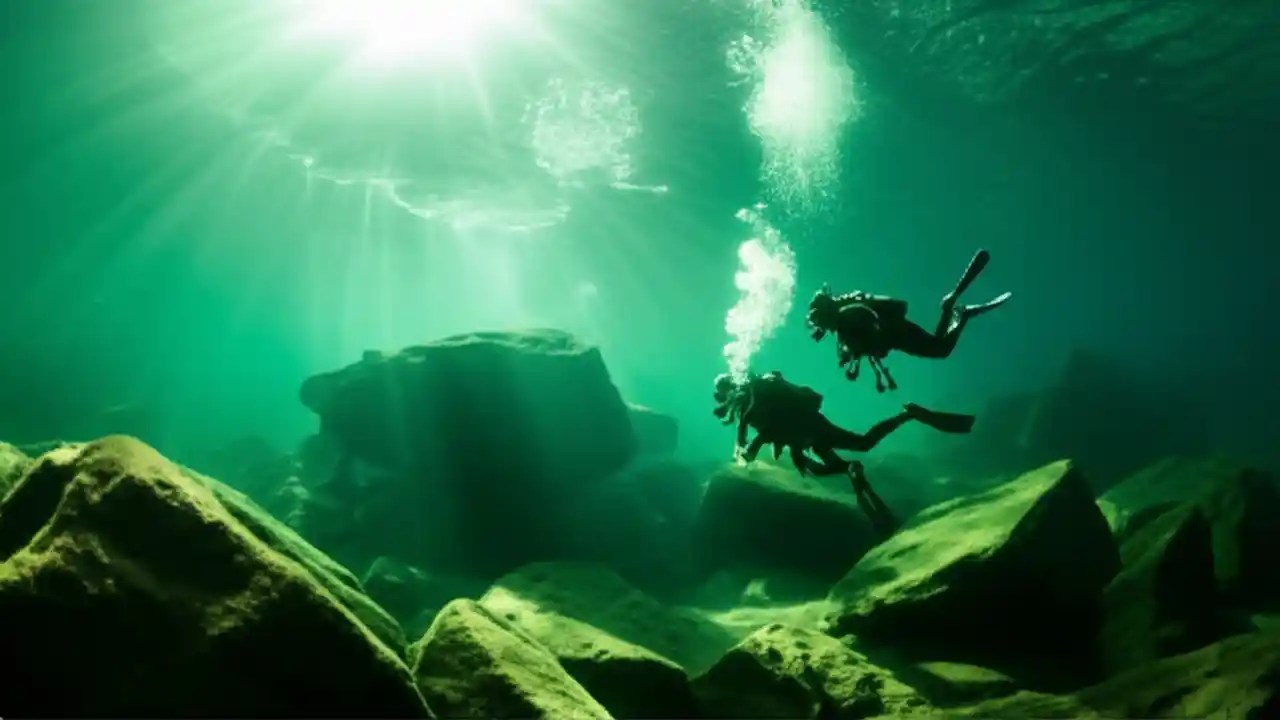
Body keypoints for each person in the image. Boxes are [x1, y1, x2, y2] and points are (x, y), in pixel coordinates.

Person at [713, 371, 975, 536]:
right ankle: (903, 419)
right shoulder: (755, 400)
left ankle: (905, 418)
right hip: (809, 434)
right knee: (860, 445)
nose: (726, 402)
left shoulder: (755, 395)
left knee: (847, 452)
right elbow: (761, 429)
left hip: (808, 431)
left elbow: (759, 428)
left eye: (724, 396)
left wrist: (745, 448)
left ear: (731, 388)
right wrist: (749, 446)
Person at [806, 249, 1012, 391]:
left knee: (941, 350)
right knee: (937, 345)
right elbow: (863, 341)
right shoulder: (844, 321)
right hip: (900, 336)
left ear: (826, 314)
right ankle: (950, 309)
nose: (820, 326)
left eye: (819, 321)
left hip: (900, 335)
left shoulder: (848, 316)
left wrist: (876, 340)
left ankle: (959, 313)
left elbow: (878, 327)